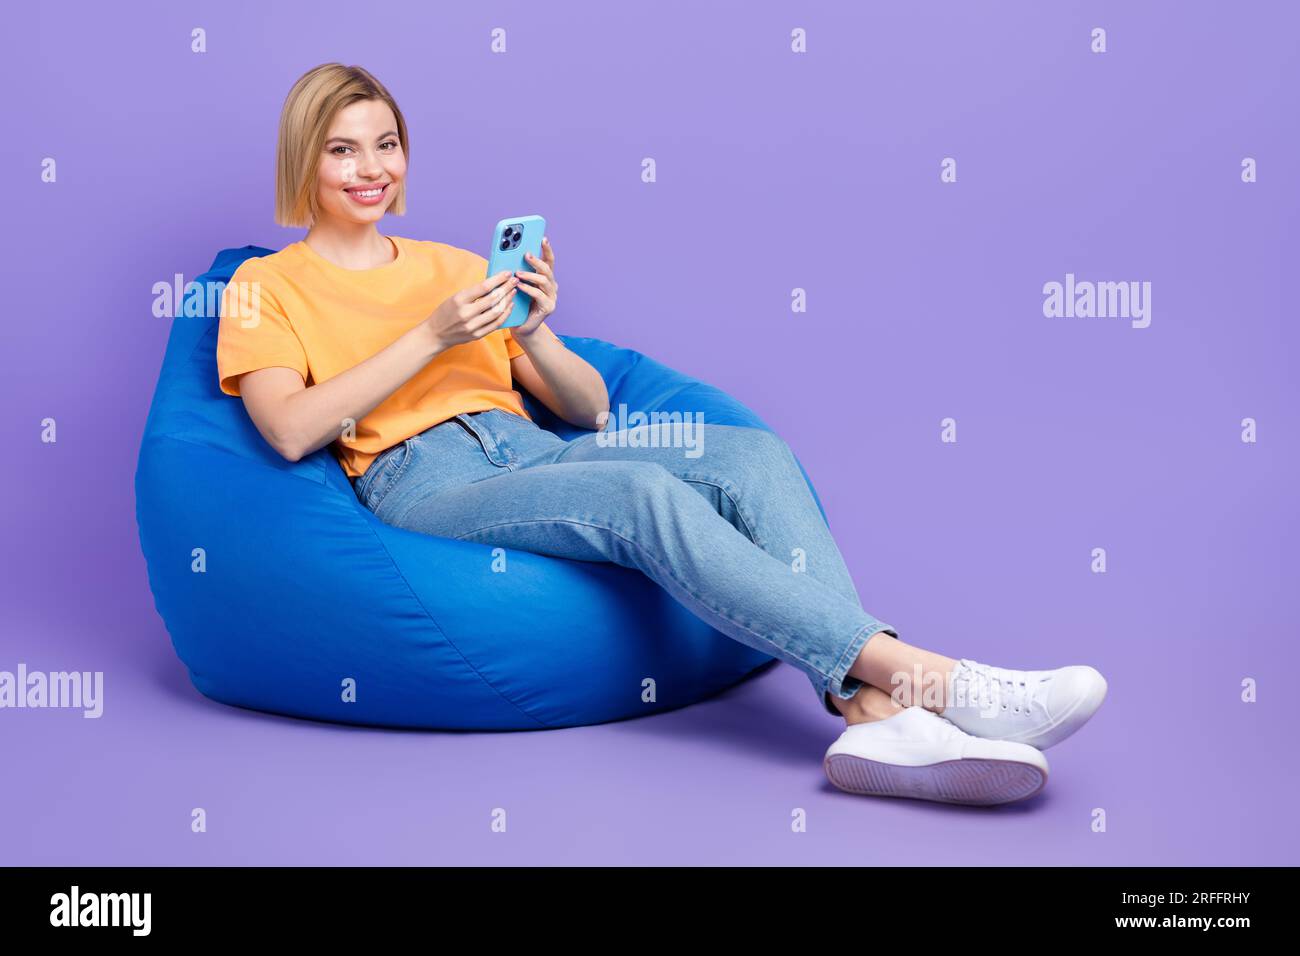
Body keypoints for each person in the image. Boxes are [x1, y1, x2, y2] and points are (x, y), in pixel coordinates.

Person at [217, 63, 1107, 807]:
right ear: (306, 160)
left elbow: (591, 408)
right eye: (343, 150)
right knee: (640, 494)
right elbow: (291, 430)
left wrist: (530, 329)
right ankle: (940, 682)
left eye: (386, 143)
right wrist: (431, 338)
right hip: (424, 478)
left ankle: (876, 720)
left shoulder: (454, 266)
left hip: (529, 448)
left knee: (750, 454)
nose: (371, 168)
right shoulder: (266, 287)